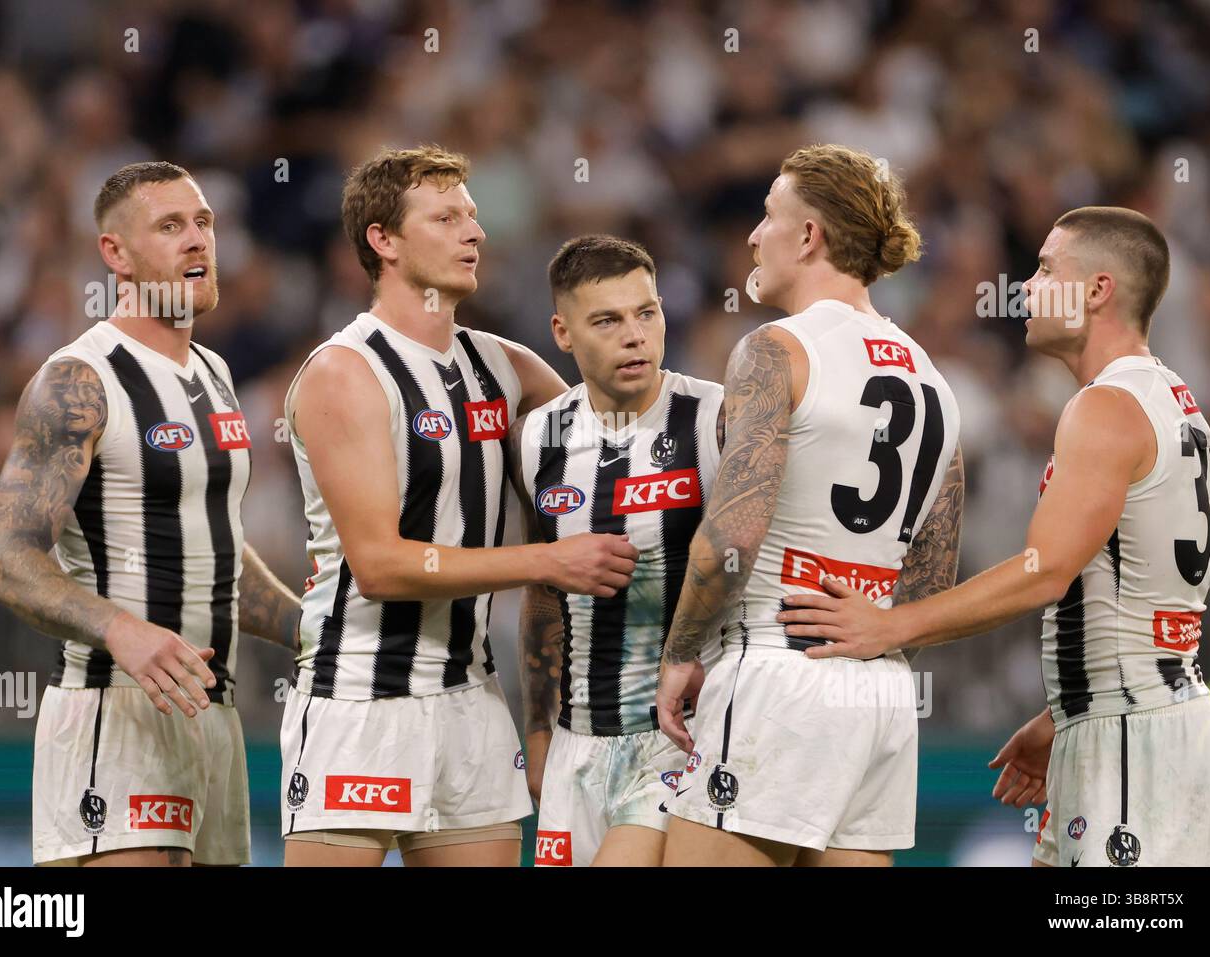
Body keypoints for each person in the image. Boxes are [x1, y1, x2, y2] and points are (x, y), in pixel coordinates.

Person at [778, 206, 1210, 868]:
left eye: (1046, 268)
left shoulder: (1104, 408)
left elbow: (1044, 570)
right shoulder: (1170, 400)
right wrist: (1065, 710)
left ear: (1098, 290)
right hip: (1129, 717)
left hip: (1132, 737)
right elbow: (1143, 578)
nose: (1025, 286)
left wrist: (890, 625)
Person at [280, 146, 638, 866]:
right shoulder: (345, 373)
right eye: (445, 217)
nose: (474, 233)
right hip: (361, 701)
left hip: (474, 700)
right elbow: (379, 565)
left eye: (472, 217)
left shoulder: (505, 368)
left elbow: (628, 436)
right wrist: (548, 558)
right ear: (383, 241)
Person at [0, 161, 301, 866]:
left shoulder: (215, 376)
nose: (197, 241)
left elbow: (213, 552)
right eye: (170, 226)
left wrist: (308, 630)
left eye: (204, 223)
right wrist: (122, 630)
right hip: (115, 707)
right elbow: (9, 561)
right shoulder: (78, 380)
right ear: (115, 255)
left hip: (214, 718)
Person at [656, 144, 964, 867]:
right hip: (880, 693)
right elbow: (932, 570)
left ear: (809, 236)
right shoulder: (934, 379)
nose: (753, 236)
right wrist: (866, 646)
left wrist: (681, 653)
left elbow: (733, 533)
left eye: (768, 216)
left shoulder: (775, 349)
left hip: (772, 666)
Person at [512, 235, 725, 867]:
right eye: (607, 320)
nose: (634, 336)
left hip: (683, 741)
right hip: (577, 744)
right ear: (563, 331)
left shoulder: (716, 419)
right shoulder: (536, 439)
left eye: (646, 313)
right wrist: (539, 726)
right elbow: (544, 589)